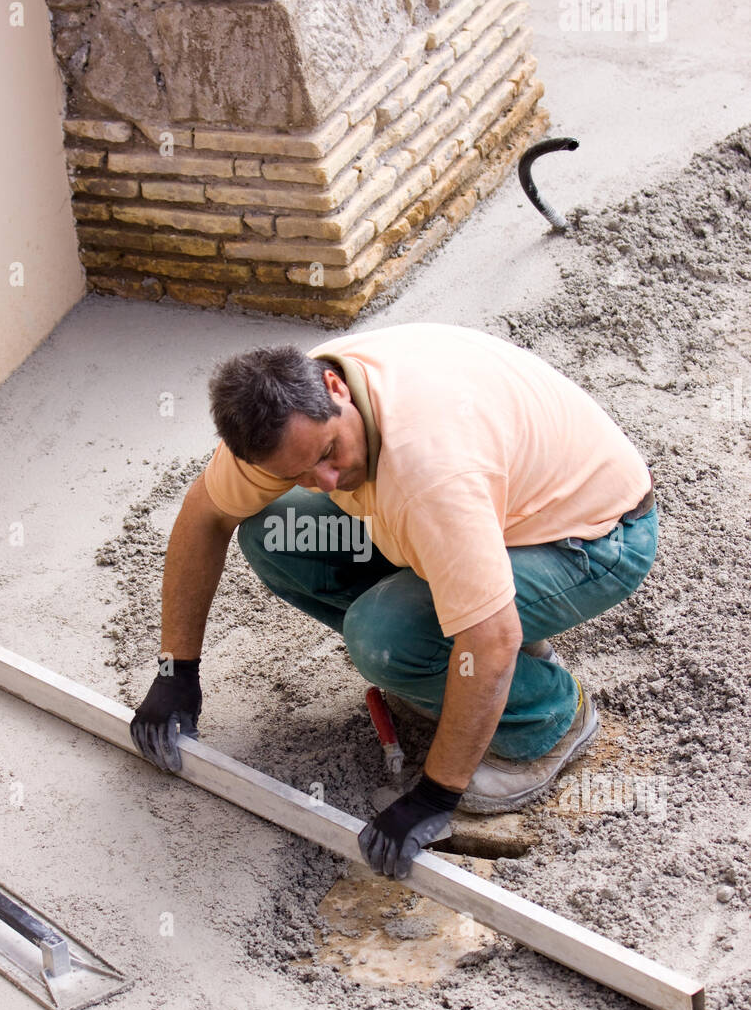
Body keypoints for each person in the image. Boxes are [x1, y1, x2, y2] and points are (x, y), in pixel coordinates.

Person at [131, 322, 657, 881]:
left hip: (592, 536)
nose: (327, 481)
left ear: (334, 388)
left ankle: (546, 719)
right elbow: (204, 514)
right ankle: (457, 650)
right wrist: (175, 671)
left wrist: (435, 795)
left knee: (386, 637)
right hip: (491, 509)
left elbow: (490, 637)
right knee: (275, 533)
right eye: (300, 472)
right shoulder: (284, 409)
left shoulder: (429, 471)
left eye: (330, 453)